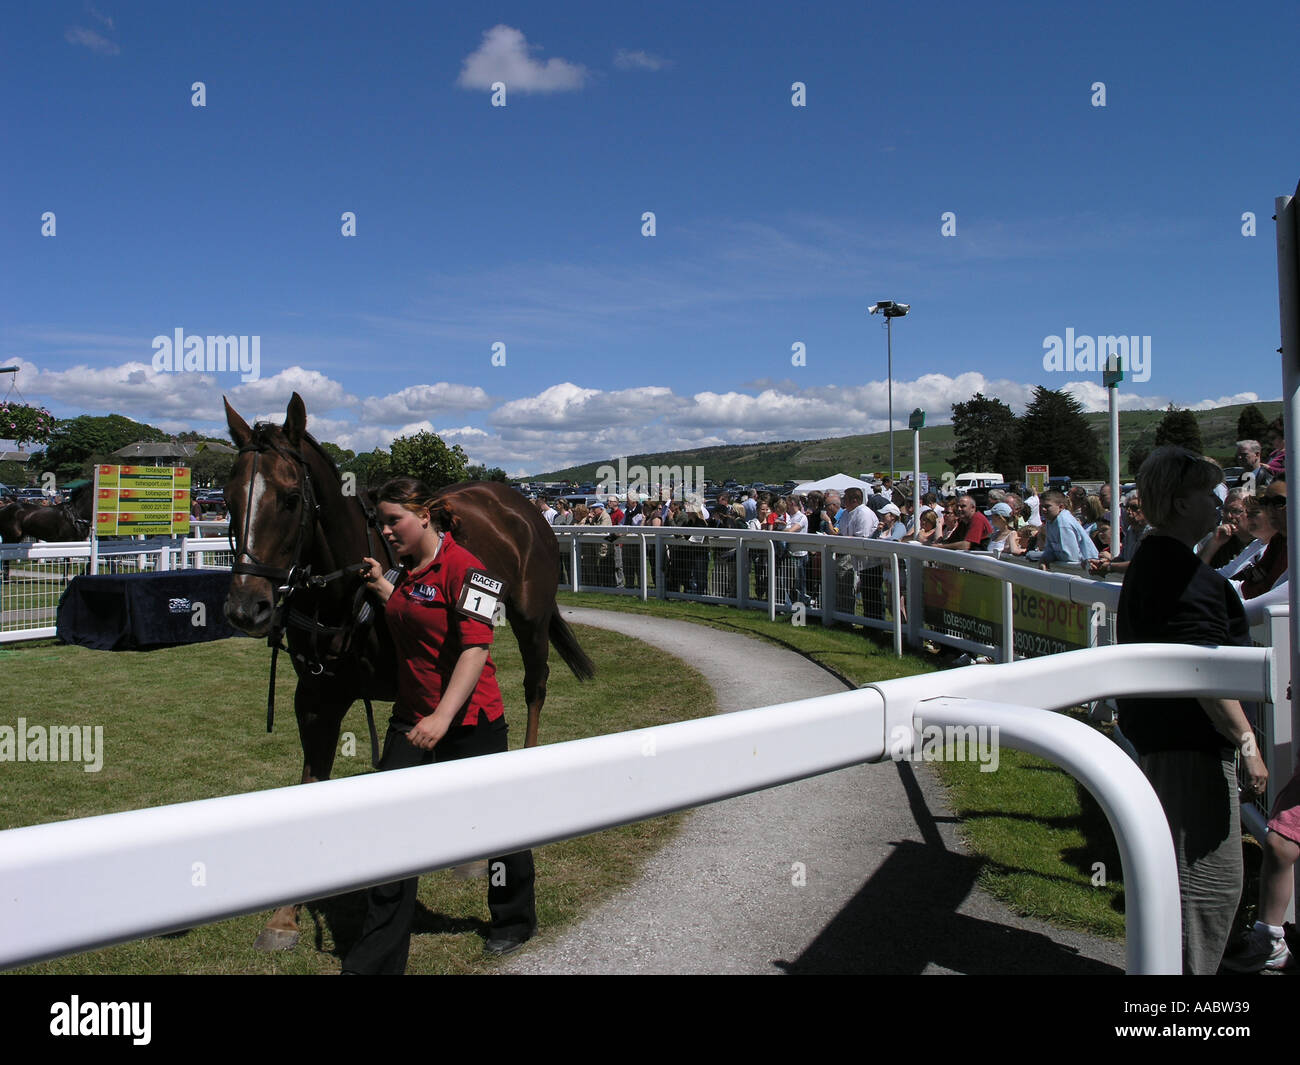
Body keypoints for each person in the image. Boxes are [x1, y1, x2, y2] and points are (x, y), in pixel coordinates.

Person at [343, 476, 536, 973]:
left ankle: (514, 917)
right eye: (381, 522)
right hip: (411, 720)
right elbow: (414, 613)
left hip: (471, 721)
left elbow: (476, 648)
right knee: (389, 832)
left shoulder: (472, 570)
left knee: (496, 828)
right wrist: (385, 586)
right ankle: (374, 961)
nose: (385, 531)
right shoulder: (406, 571)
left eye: (394, 521)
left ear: (424, 516)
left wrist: (443, 716)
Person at [1115, 446, 1267, 975]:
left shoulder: (1160, 561)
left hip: (1168, 738)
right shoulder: (1182, 574)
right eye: (1207, 493)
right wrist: (1248, 745)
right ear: (1181, 503)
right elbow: (1202, 674)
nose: (1219, 502)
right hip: (1190, 745)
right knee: (1207, 882)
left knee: (1192, 876)